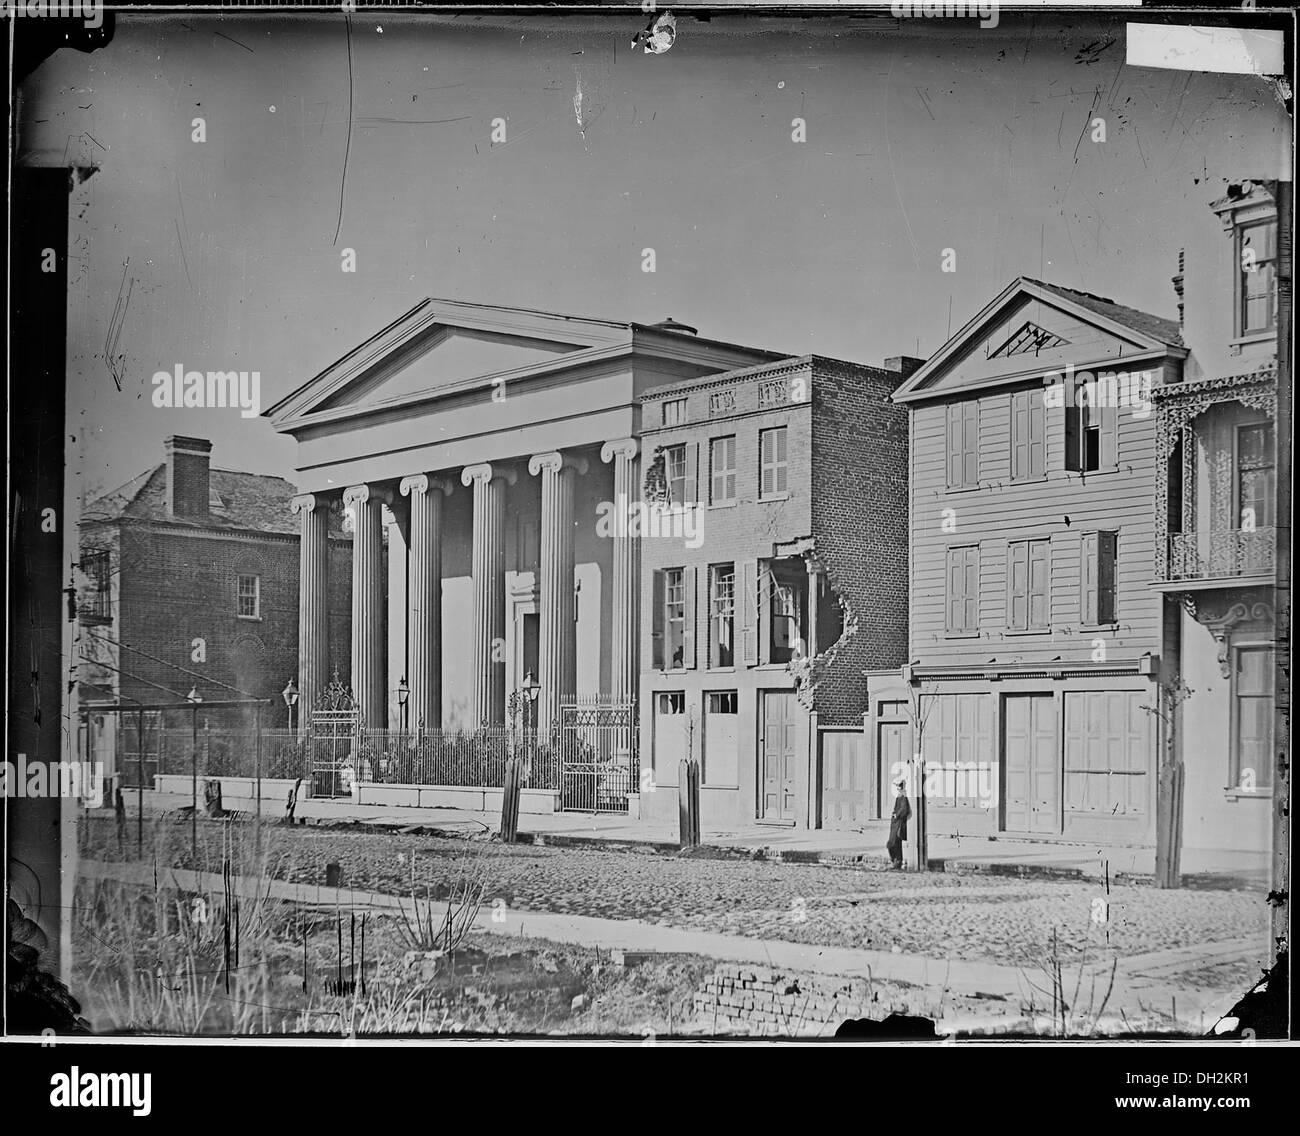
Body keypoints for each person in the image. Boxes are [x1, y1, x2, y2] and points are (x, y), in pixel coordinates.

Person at [887, 778, 911, 869]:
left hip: (899, 824)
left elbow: (904, 809)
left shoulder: (903, 796)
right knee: (895, 843)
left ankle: (897, 861)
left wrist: (896, 815)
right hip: (896, 823)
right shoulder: (900, 795)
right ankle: (897, 861)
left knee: (893, 843)